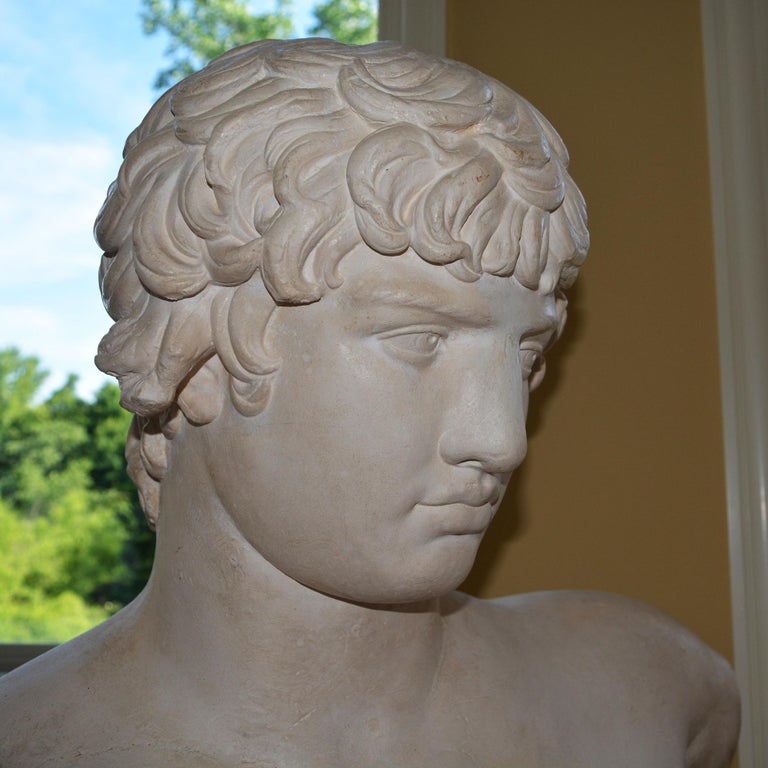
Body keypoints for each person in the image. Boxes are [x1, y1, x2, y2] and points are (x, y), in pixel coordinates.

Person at [0, 39, 738, 767]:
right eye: (419, 339)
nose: (503, 439)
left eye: (526, 355)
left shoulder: (651, 695)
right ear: (196, 358)